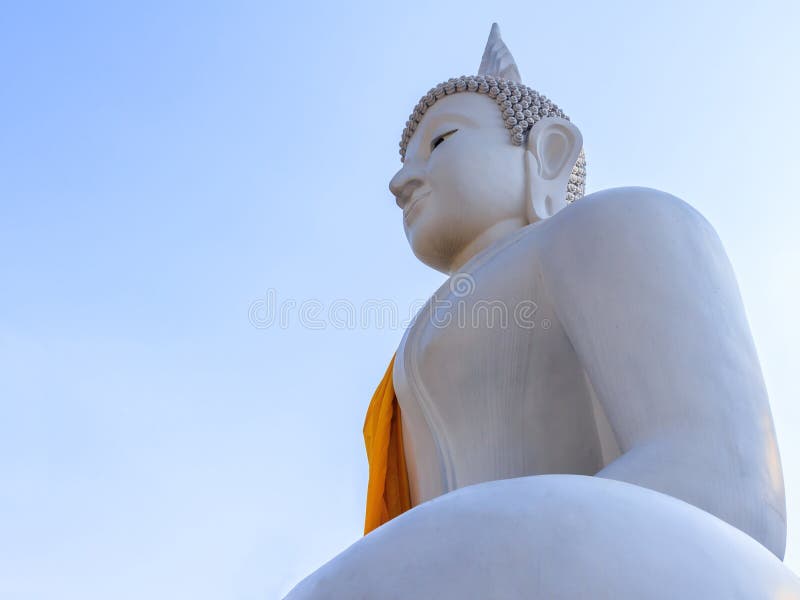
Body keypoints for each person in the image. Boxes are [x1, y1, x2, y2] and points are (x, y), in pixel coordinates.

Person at [285, 24, 798, 599]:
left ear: (548, 152)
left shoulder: (615, 225)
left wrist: (470, 560)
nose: (402, 181)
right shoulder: (407, 353)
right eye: (406, 160)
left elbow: (727, 486)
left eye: (440, 142)